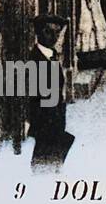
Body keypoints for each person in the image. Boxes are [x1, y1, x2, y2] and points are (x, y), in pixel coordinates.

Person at [27, 16, 73, 168]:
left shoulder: (51, 56)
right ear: (38, 33)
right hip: (44, 126)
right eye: (48, 32)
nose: (53, 37)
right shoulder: (34, 60)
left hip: (55, 123)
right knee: (43, 165)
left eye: (57, 33)